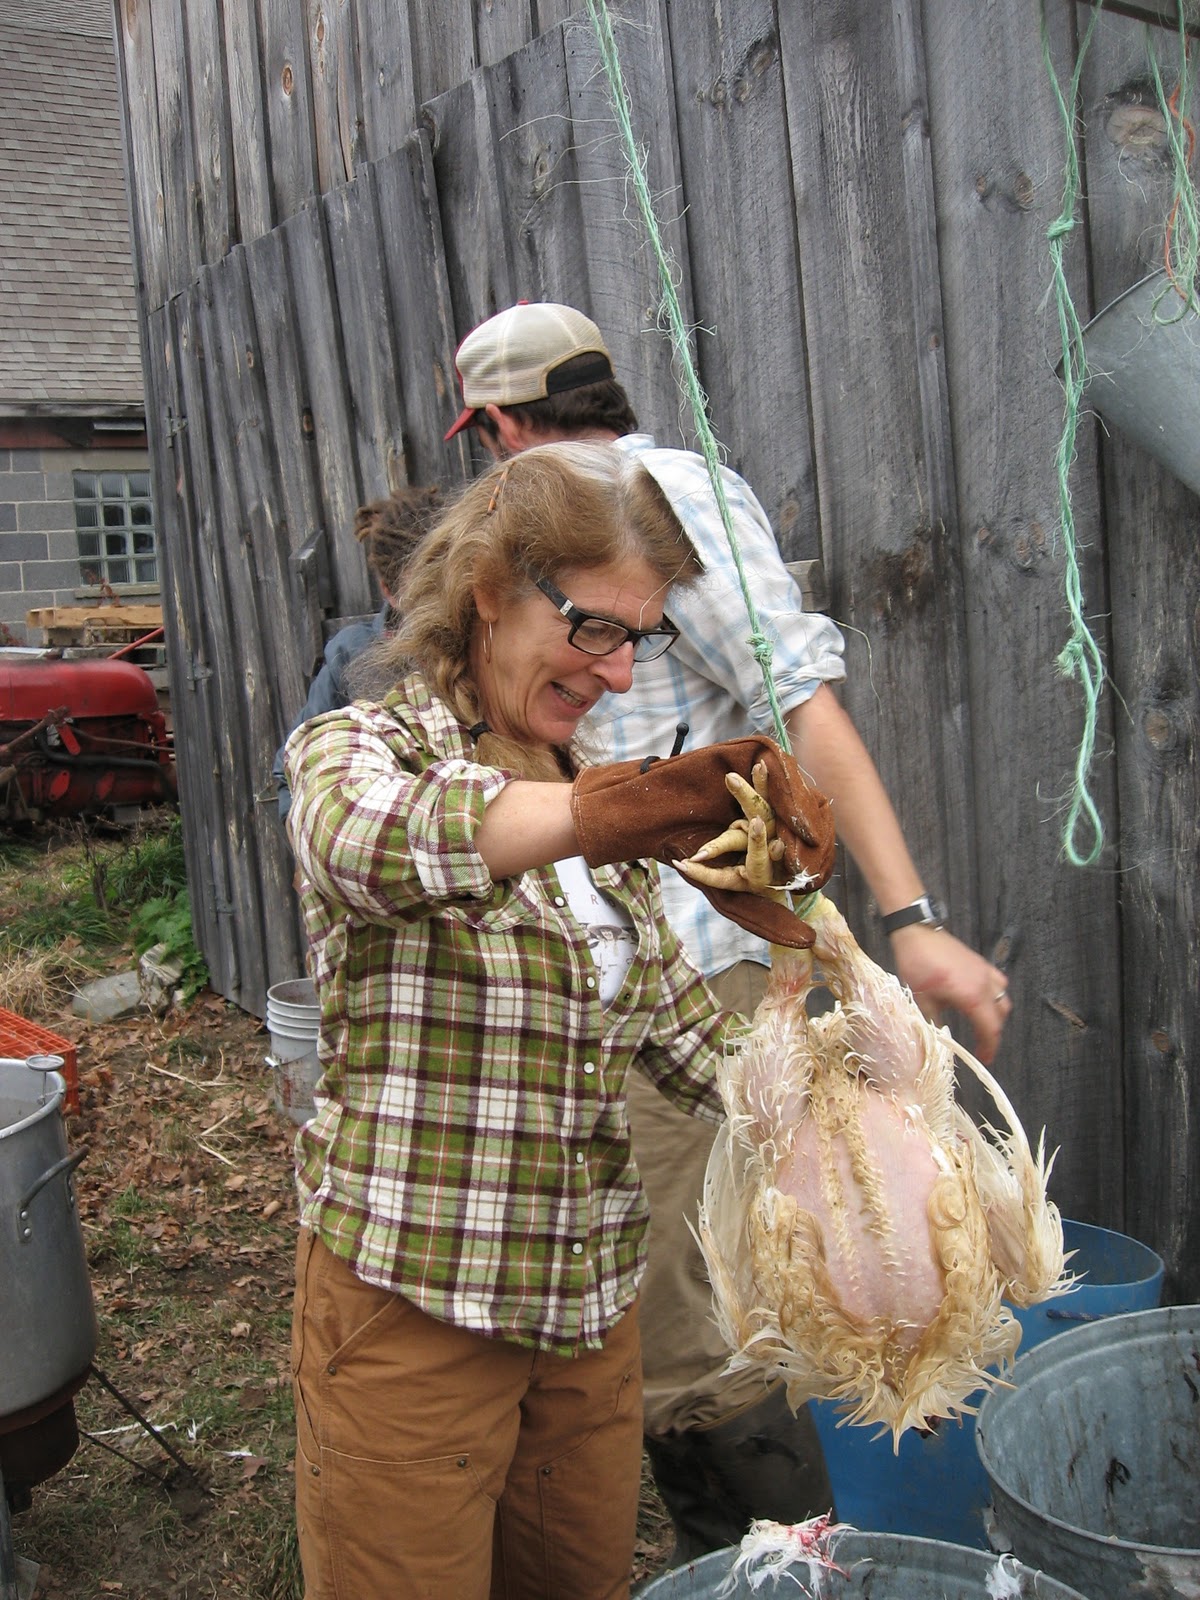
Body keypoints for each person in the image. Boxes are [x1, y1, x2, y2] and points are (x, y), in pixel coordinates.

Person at [443, 301, 1016, 1562]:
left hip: (692, 971)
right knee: (675, 1280)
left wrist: (906, 916)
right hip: (588, 967)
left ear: (493, 423)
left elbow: (798, 704)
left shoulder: (654, 499)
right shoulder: (557, 528)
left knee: (700, 1312)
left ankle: (772, 1561)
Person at [281, 441, 836, 1600]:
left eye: (642, 637)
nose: (623, 673)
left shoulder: (594, 803)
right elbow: (375, 844)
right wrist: (606, 812)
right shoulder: (362, 749)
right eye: (597, 627)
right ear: (491, 589)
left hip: (586, 1317)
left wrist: (846, 1067)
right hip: (416, 1307)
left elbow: (690, 1045)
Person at [273, 484, 440, 820]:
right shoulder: (351, 655)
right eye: (420, 589)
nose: (439, 600)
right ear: (389, 591)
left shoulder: (488, 646)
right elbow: (290, 773)